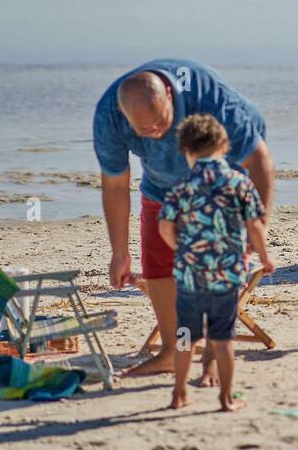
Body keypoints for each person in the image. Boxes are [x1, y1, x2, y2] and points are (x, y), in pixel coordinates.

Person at [92, 58, 275, 378]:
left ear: (168, 95)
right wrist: (119, 252)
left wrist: (254, 232)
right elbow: (116, 184)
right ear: (125, 117)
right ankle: (171, 351)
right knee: (158, 263)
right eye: (144, 130)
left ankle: (216, 356)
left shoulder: (210, 98)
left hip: (223, 174)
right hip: (163, 184)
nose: (156, 133)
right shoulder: (108, 116)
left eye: (161, 123)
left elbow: (260, 161)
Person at [158, 114, 269, 411]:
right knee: (223, 340)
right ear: (223, 144)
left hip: (190, 277)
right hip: (226, 277)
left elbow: (165, 227)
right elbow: (255, 225)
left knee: (185, 336)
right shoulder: (238, 182)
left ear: (186, 150)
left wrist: (181, 249)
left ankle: (179, 393)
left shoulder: (182, 185)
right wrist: (265, 257)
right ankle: (226, 397)